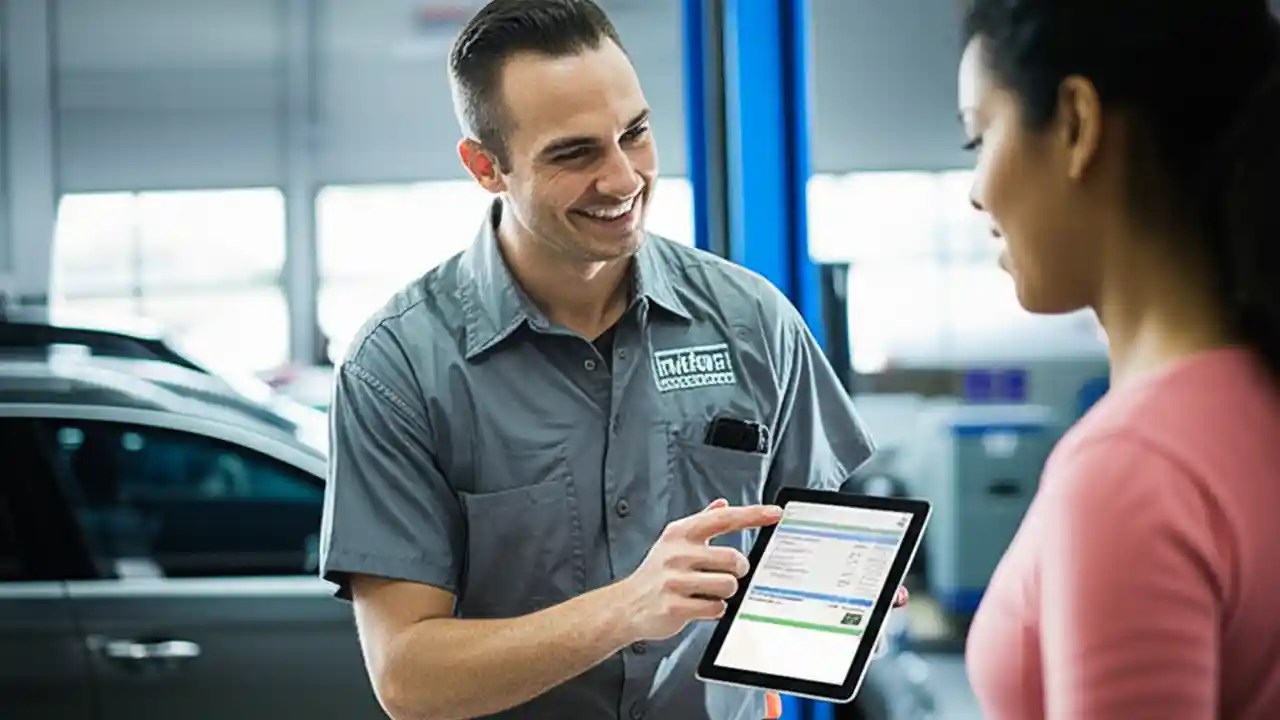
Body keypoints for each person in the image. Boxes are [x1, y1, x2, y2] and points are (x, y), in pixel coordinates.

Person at [317, 1, 890, 718]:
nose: (623, 180)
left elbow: (808, 577)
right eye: (574, 153)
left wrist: (837, 609)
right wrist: (626, 610)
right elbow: (408, 678)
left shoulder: (751, 321)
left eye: (636, 134)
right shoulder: (397, 367)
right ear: (485, 166)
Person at [957, 1, 1280, 717]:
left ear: (1076, 123)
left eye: (978, 139)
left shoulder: (1130, 467)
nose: (977, 192)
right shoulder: (1253, 399)